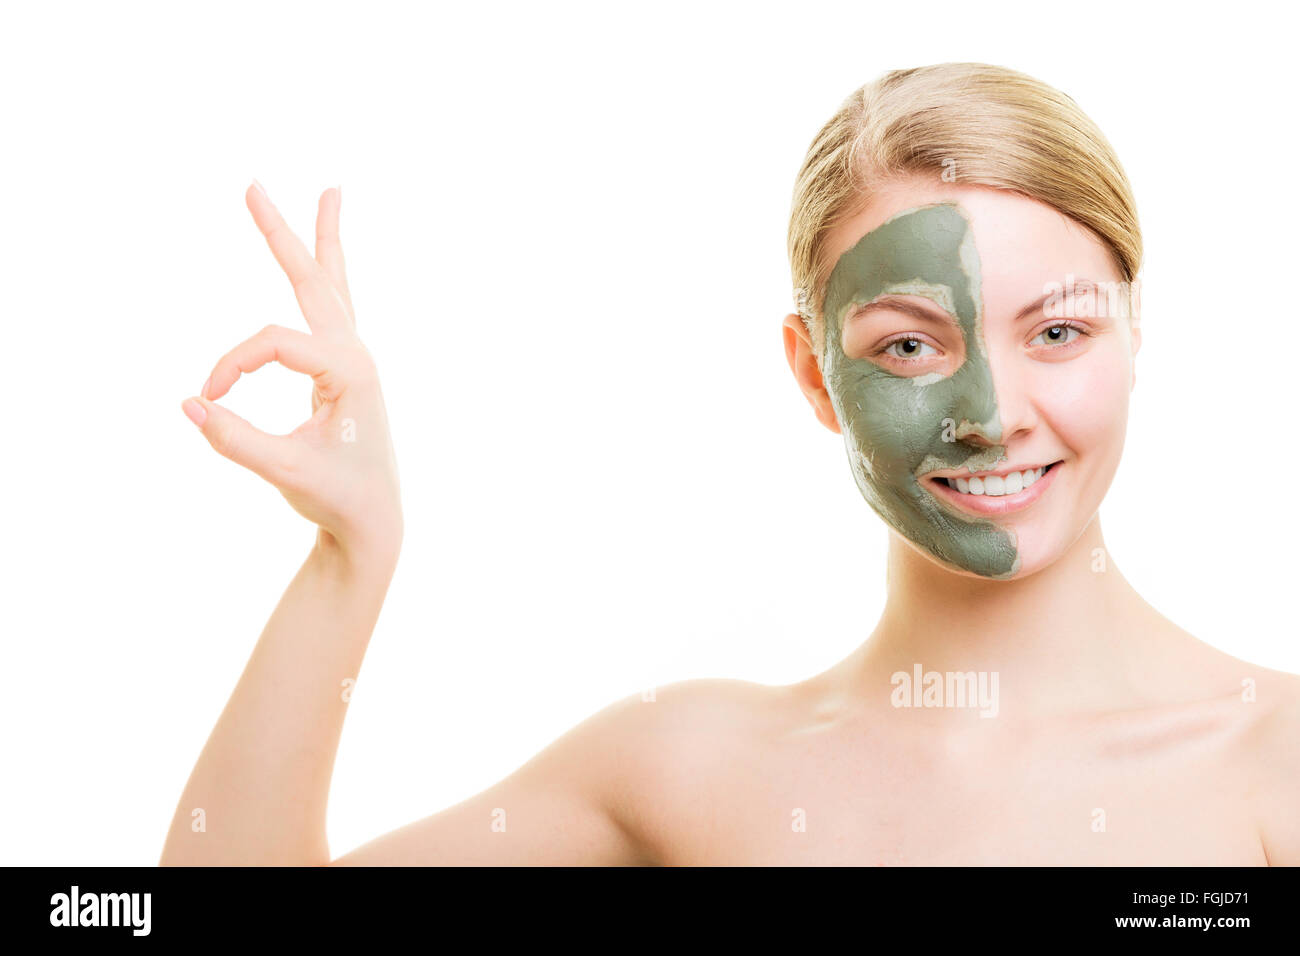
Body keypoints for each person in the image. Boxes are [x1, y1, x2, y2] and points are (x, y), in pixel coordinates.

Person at [161, 63, 1300, 866]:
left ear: (1133, 334)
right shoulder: (679, 768)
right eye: (908, 343)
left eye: (1056, 330)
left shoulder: (1274, 762)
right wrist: (350, 551)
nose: (991, 413)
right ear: (813, 375)